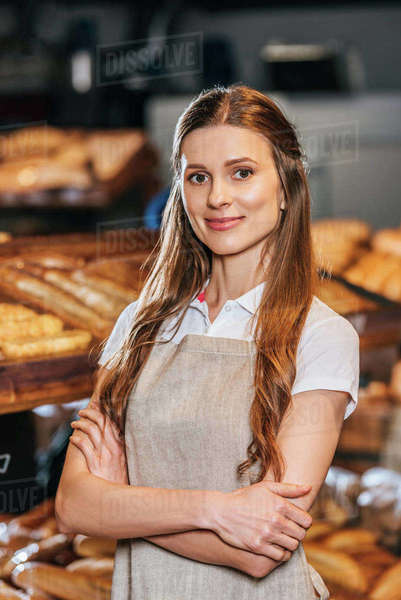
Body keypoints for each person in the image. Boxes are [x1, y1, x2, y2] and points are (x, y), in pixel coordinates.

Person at [55, 84, 360, 599]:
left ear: (286, 188)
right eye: (199, 177)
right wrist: (218, 510)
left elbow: (261, 548)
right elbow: (73, 507)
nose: (217, 197)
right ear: (181, 192)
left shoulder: (323, 335)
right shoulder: (139, 324)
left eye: (242, 172)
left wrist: (122, 502)